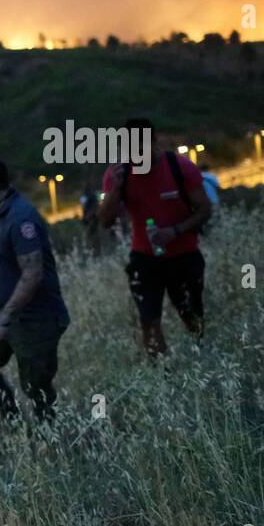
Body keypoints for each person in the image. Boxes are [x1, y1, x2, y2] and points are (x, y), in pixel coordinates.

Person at [0, 159, 71, 422]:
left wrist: (4, 319)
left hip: (35, 317)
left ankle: (51, 440)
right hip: (11, 311)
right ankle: (14, 422)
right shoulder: (2, 212)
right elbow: (8, 262)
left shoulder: (20, 217)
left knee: (37, 388)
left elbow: (33, 273)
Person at [98, 119, 213, 357]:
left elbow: (204, 210)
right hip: (144, 258)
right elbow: (105, 221)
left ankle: (202, 358)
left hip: (184, 255)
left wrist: (176, 231)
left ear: (153, 142)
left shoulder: (179, 167)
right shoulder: (118, 174)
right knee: (148, 321)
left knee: (190, 315)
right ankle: (162, 373)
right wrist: (116, 189)